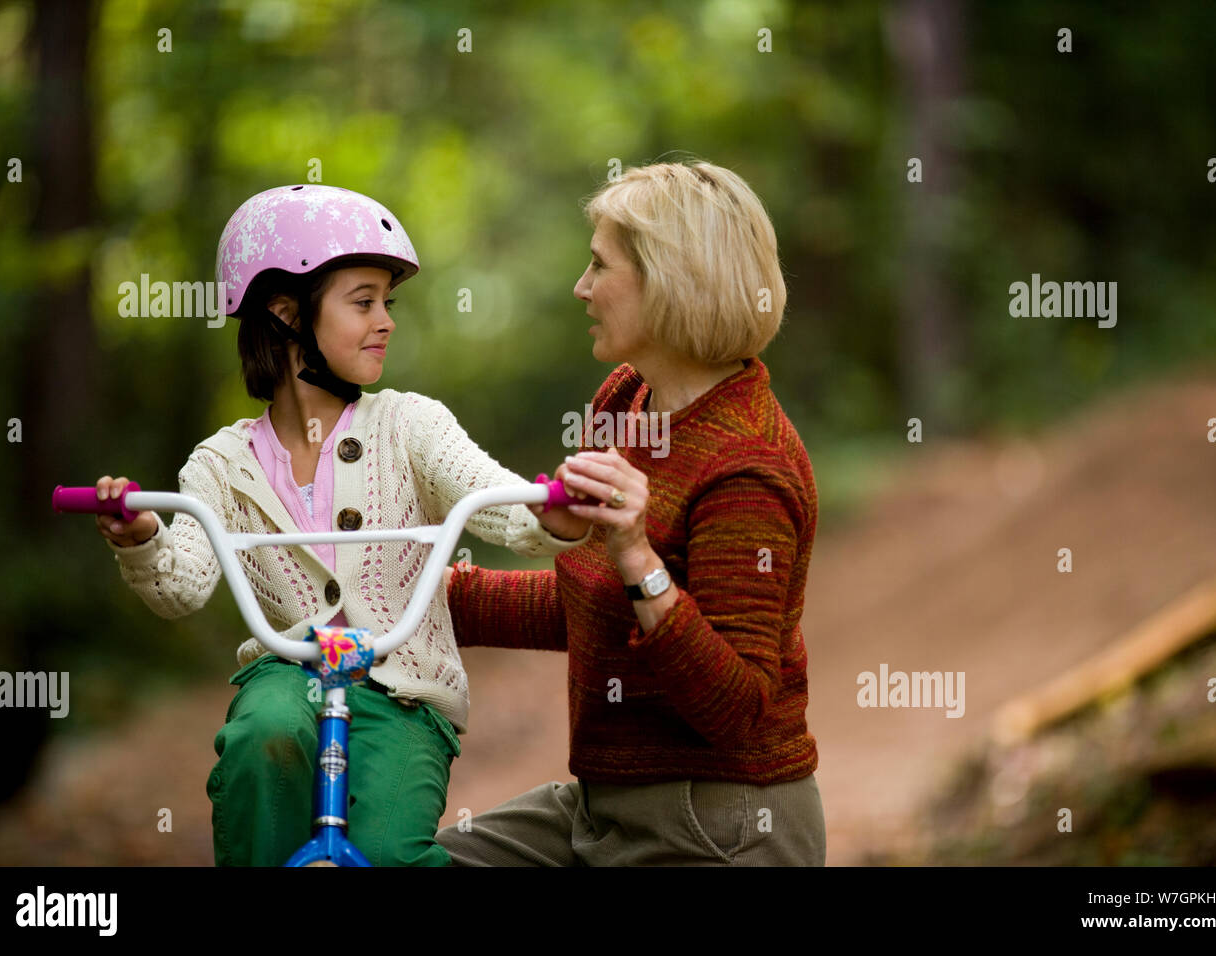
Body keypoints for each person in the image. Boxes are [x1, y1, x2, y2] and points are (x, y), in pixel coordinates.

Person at [92, 184, 590, 866]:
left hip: (404, 695)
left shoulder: (410, 426)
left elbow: (497, 502)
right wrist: (143, 538)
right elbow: (180, 586)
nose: (385, 320)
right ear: (286, 312)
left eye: (388, 302)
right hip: (287, 677)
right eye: (363, 302)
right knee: (261, 737)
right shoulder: (223, 463)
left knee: (389, 852)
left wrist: (553, 507)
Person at [436, 161, 825, 865]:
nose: (581, 288)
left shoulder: (749, 468)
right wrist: (430, 595)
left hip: (721, 820)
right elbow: (589, 607)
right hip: (606, 805)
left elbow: (737, 712)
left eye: (598, 266)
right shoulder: (626, 400)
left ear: (671, 280)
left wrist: (638, 560)